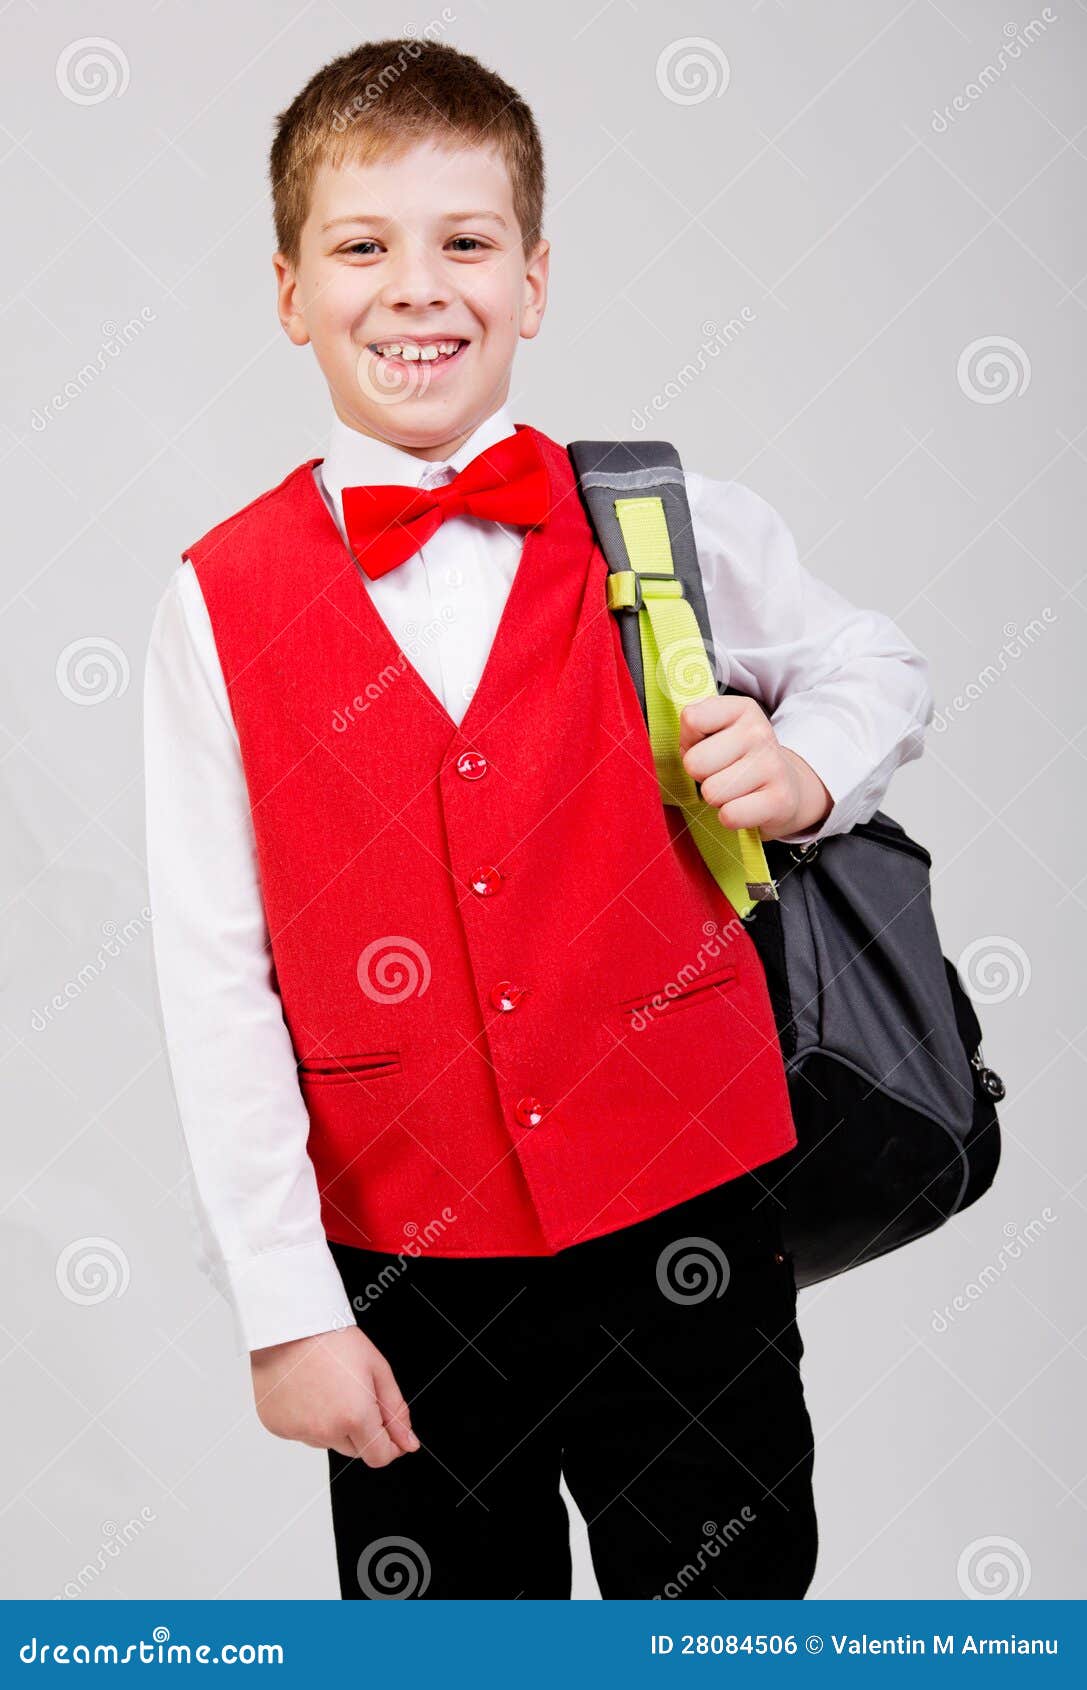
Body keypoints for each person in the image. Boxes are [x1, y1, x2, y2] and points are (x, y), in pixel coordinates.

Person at [143, 37, 933, 1600]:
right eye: (363, 246)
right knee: (443, 1641)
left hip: (685, 1215)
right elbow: (212, 971)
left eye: (467, 242)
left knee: (723, 1617)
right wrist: (286, 1305)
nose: (418, 288)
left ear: (536, 277)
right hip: (404, 1263)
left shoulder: (657, 511)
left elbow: (873, 663)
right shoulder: (212, 599)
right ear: (291, 290)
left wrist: (811, 767)